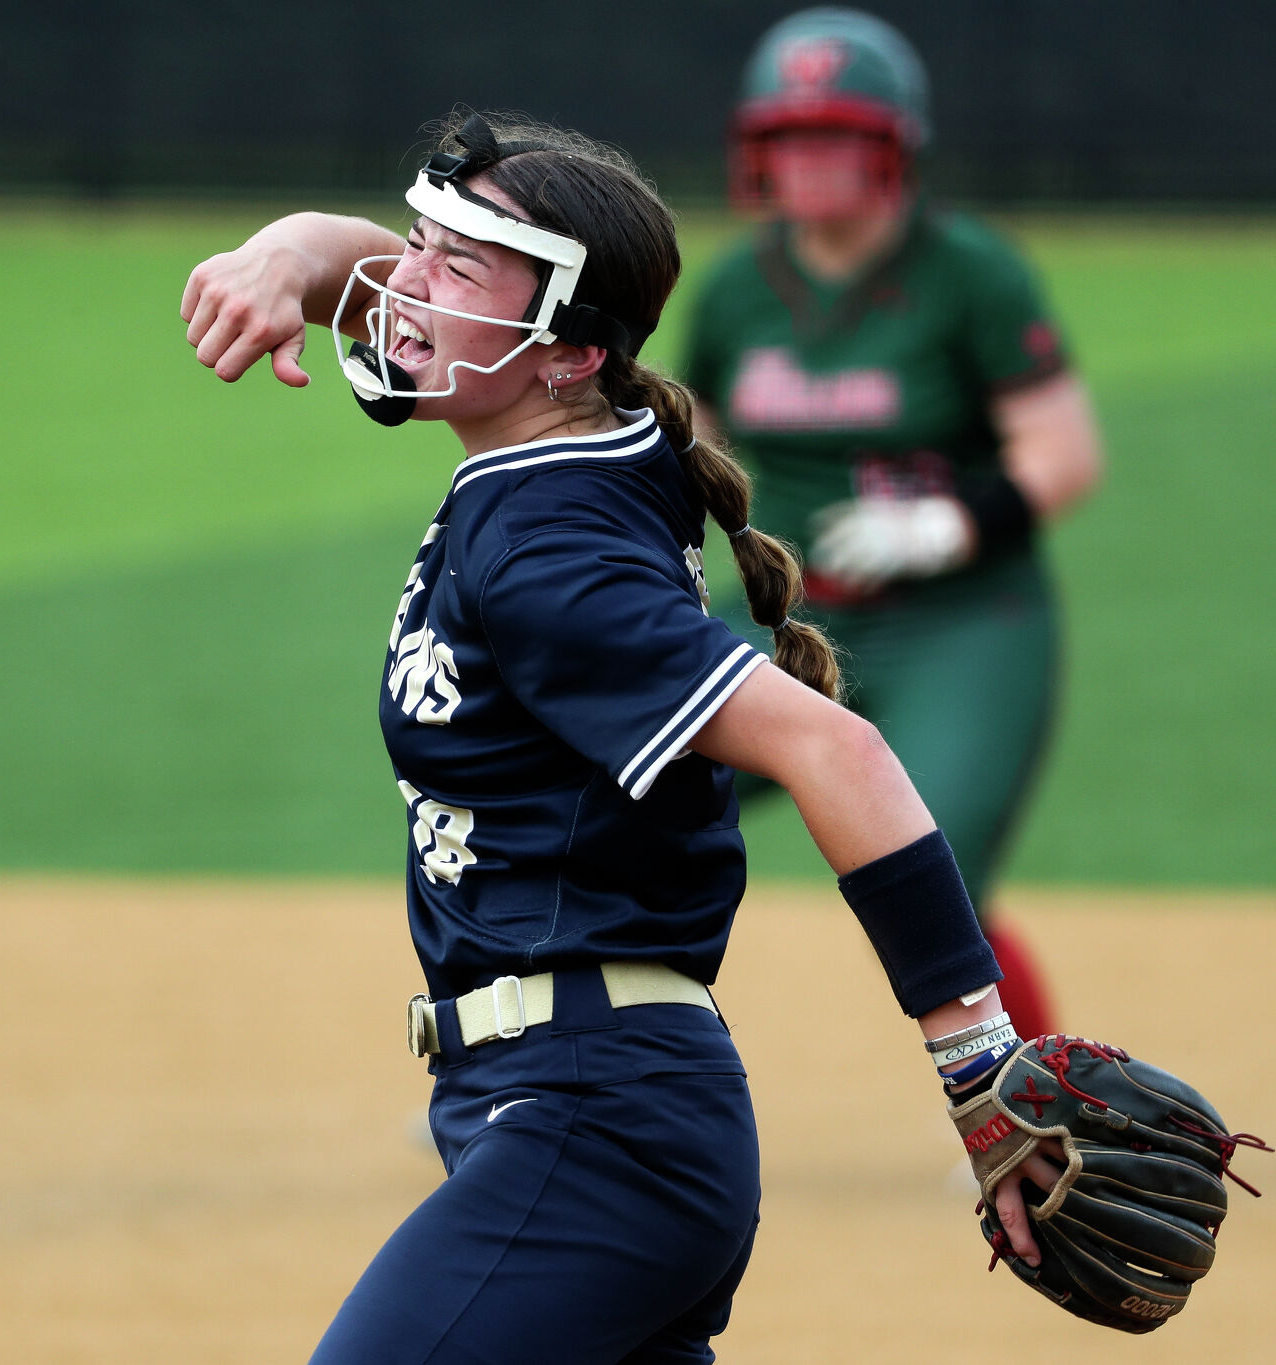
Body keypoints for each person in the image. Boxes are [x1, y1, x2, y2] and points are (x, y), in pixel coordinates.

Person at [180, 110, 1066, 1364]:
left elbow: (840, 752)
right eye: (420, 243)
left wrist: (979, 1069)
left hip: (594, 1126)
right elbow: (377, 270)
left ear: (569, 350)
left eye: (454, 264)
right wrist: (286, 256)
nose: (405, 283)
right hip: (579, 1110)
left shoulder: (549, 552)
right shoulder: (596, 439)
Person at [686, 8, 1106, 1039]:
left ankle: (1037, 1102)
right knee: (622, 815)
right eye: (788, 136)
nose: (808, 159)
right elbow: (691, 437)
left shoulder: (969, 273)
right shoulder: (739, 287)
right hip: (784, 620)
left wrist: (942, 526)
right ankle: (548, 1077)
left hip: (956, 620)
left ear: (891, 146)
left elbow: (1063, 454)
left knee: (933, 870)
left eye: (835, 134)